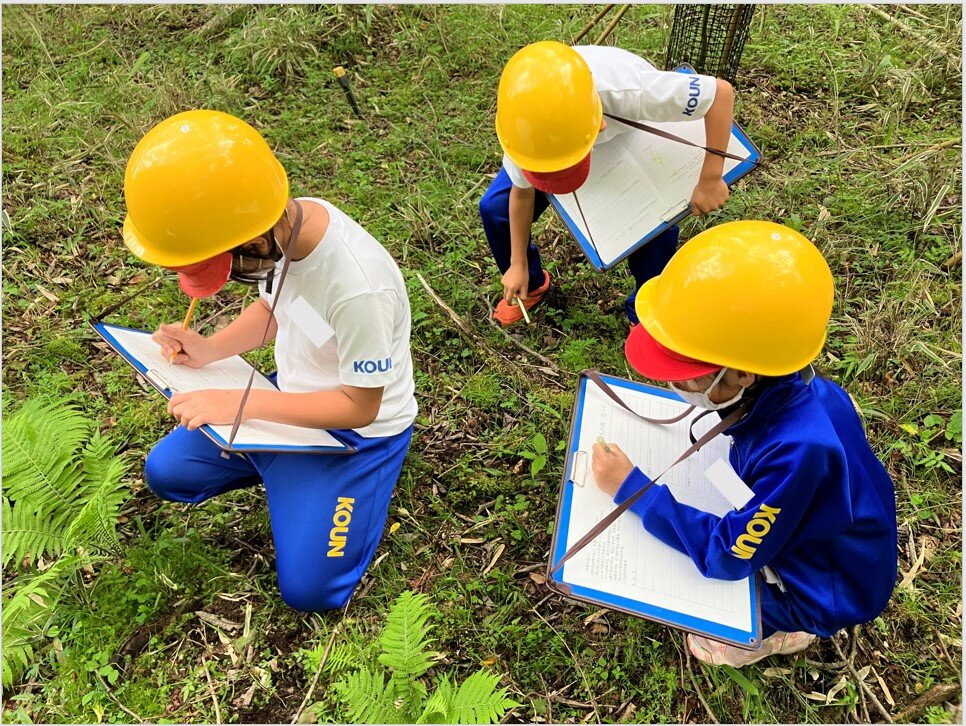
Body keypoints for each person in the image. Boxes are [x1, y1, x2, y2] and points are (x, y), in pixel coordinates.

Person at [122, 110, 417, 612]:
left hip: (354, 435)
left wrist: (243, 406)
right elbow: (278, 307)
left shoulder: (358, 289)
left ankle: (328, 482)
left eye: (225, 266)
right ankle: (284, 472)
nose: (232, 278)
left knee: (310, 591)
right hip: (283, 402)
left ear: (256, 239)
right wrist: (210, 348)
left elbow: (360, 406)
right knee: (165, 473)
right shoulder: (281, 229)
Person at [590, 220, 898, 667]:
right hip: (824, 531)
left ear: (741, 374)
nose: (680, 386)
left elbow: (730, 555)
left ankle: (793, 627)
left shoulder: (798, 452)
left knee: (707, 639)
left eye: (689, 375)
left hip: (829, 584)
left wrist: (635, 491)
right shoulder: (799, 391)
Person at [480, 40, 735, 326]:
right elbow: (521, 194)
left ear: (599, 125)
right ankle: (531, 283)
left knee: (655, 224)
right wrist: (517, 263)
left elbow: (719, 94)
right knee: (495, 207)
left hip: (633, 134)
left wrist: (711, 177)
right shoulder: (525, 127)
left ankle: (647, 306)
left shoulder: (631, 94)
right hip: (572, 137)